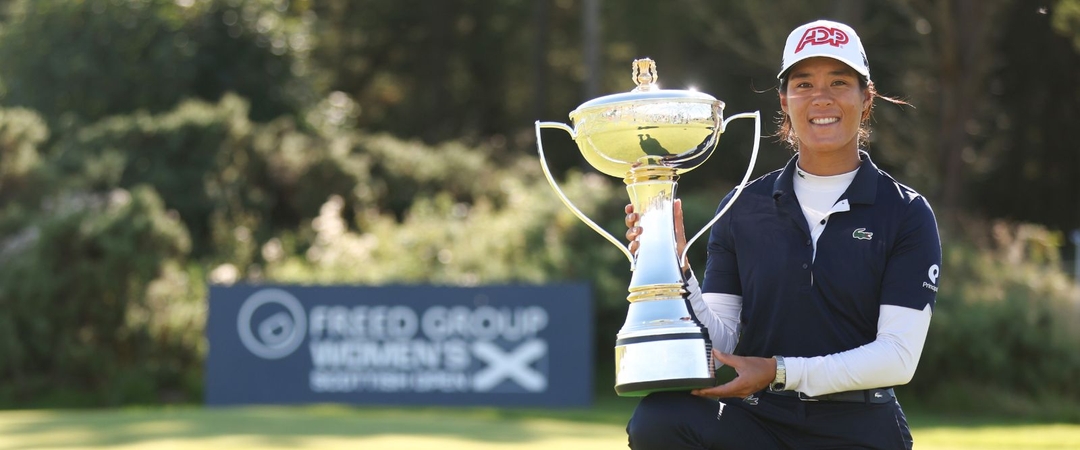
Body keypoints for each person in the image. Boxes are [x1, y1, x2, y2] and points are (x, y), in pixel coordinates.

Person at [623, 19, 941, 450]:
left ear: (866, 99)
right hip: (758, 423)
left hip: (859, 425)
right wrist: (676, 266)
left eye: (839, 82)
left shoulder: (905, 212)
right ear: (785, 101)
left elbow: (897, 358)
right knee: (661, 419)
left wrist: (781, 370)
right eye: (804, 84)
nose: (821, 98)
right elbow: (722, 343)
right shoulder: (742, 206)